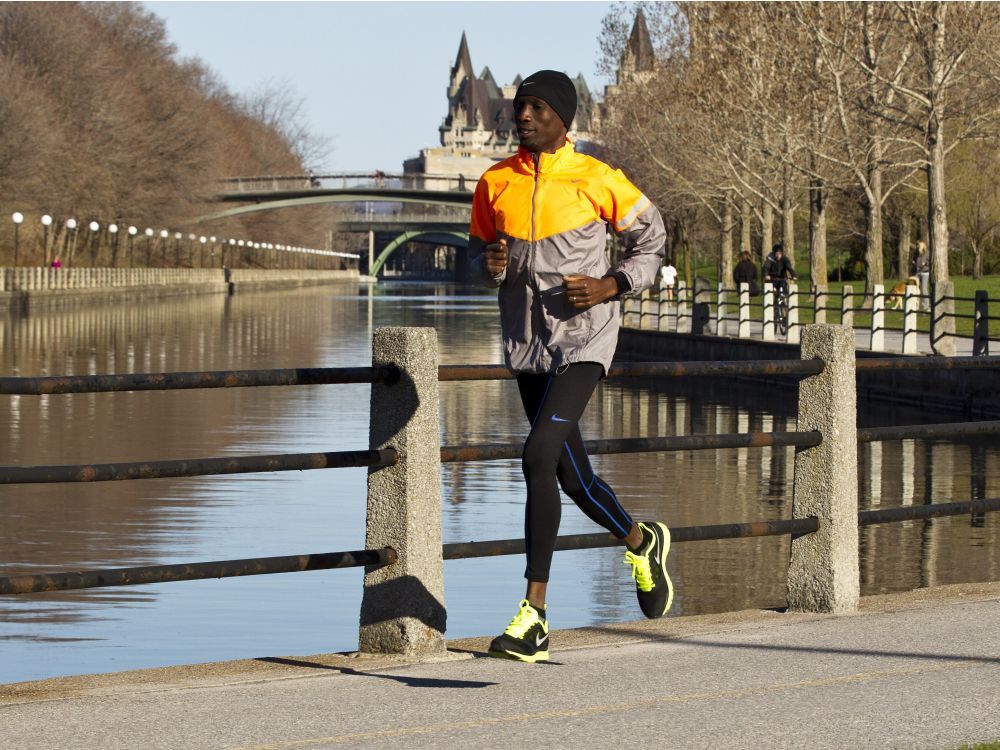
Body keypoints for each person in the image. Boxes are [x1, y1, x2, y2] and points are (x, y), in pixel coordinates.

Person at [470, 70, 671, 663]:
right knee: (570, 476)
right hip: (528, 345)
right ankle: (642, 541)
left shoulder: (598, 178)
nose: (523, 116)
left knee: (535, 455)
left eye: (536, 108)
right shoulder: (493, 183)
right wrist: (497, 264)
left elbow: (653, 241)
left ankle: (534, 616)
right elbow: (490, 261)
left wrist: (611, 283)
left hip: (585, 340)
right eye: (519, 107)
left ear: (564, 118)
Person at [913, 241, 930, 311]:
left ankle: (926, 306)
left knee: (924, 289)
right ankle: (916, 306)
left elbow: (930, 262)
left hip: (925, 273)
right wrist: (913, 262)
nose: (918, 247)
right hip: (917, 273)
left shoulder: (927, 253)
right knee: (916, 289)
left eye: (919, 246)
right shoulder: (916, 253)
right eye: (917, 246)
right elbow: (914, 259)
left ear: (923, 246)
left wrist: (925, 263)